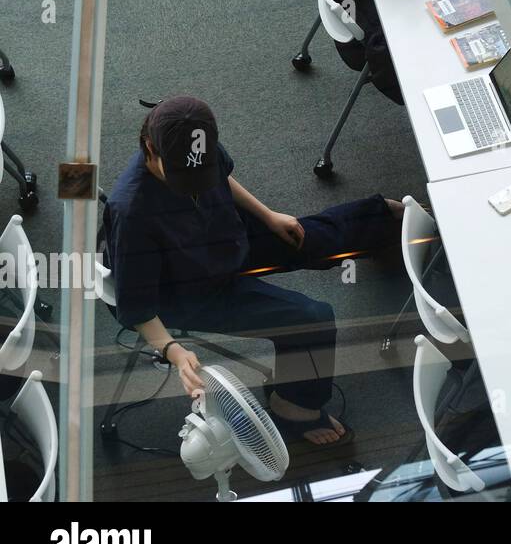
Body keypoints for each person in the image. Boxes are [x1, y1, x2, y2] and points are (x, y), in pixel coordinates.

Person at [102, 95, 404, 446]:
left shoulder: (193, 140)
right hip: (182, 289)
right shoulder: (132, 212)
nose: (195, 185)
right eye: (185, 179)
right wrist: (173, 349)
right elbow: (136, 304)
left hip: (220, 236)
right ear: (150, 148)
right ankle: (294, 407)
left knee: (306, 236)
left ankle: (386, 221)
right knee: (310, 318)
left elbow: (222, 178)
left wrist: (267, 215)